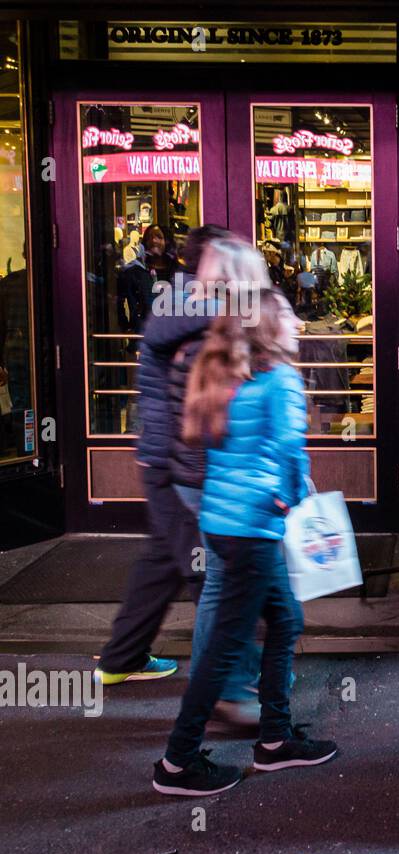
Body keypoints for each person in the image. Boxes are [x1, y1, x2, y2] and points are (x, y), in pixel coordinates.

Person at [154, 287, 335, 796]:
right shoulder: (281, 381)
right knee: (224, 650)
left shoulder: (229, 376)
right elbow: (290, 455)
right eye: (290, 317)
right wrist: (291, 499)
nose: (299, 324)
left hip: (224, 523)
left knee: (285, 620)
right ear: (269, 328)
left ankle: (275, 740)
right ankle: (177, 762)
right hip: (255, 528)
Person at [94, 225, 233, 687]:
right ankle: (230, 681)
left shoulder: (183, 302)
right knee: (204, 569)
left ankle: (121, 658)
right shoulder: (181, 304)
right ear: (207, 261)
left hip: (166, 460)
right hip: (169, 464)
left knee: (164, 563)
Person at [170, 235, 276, 727]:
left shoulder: (201, 332)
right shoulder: (224, 339)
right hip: (222, 485)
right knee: (236, 587)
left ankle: (223, 685)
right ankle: (231, 691)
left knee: (223, 584)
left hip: (205, 481)